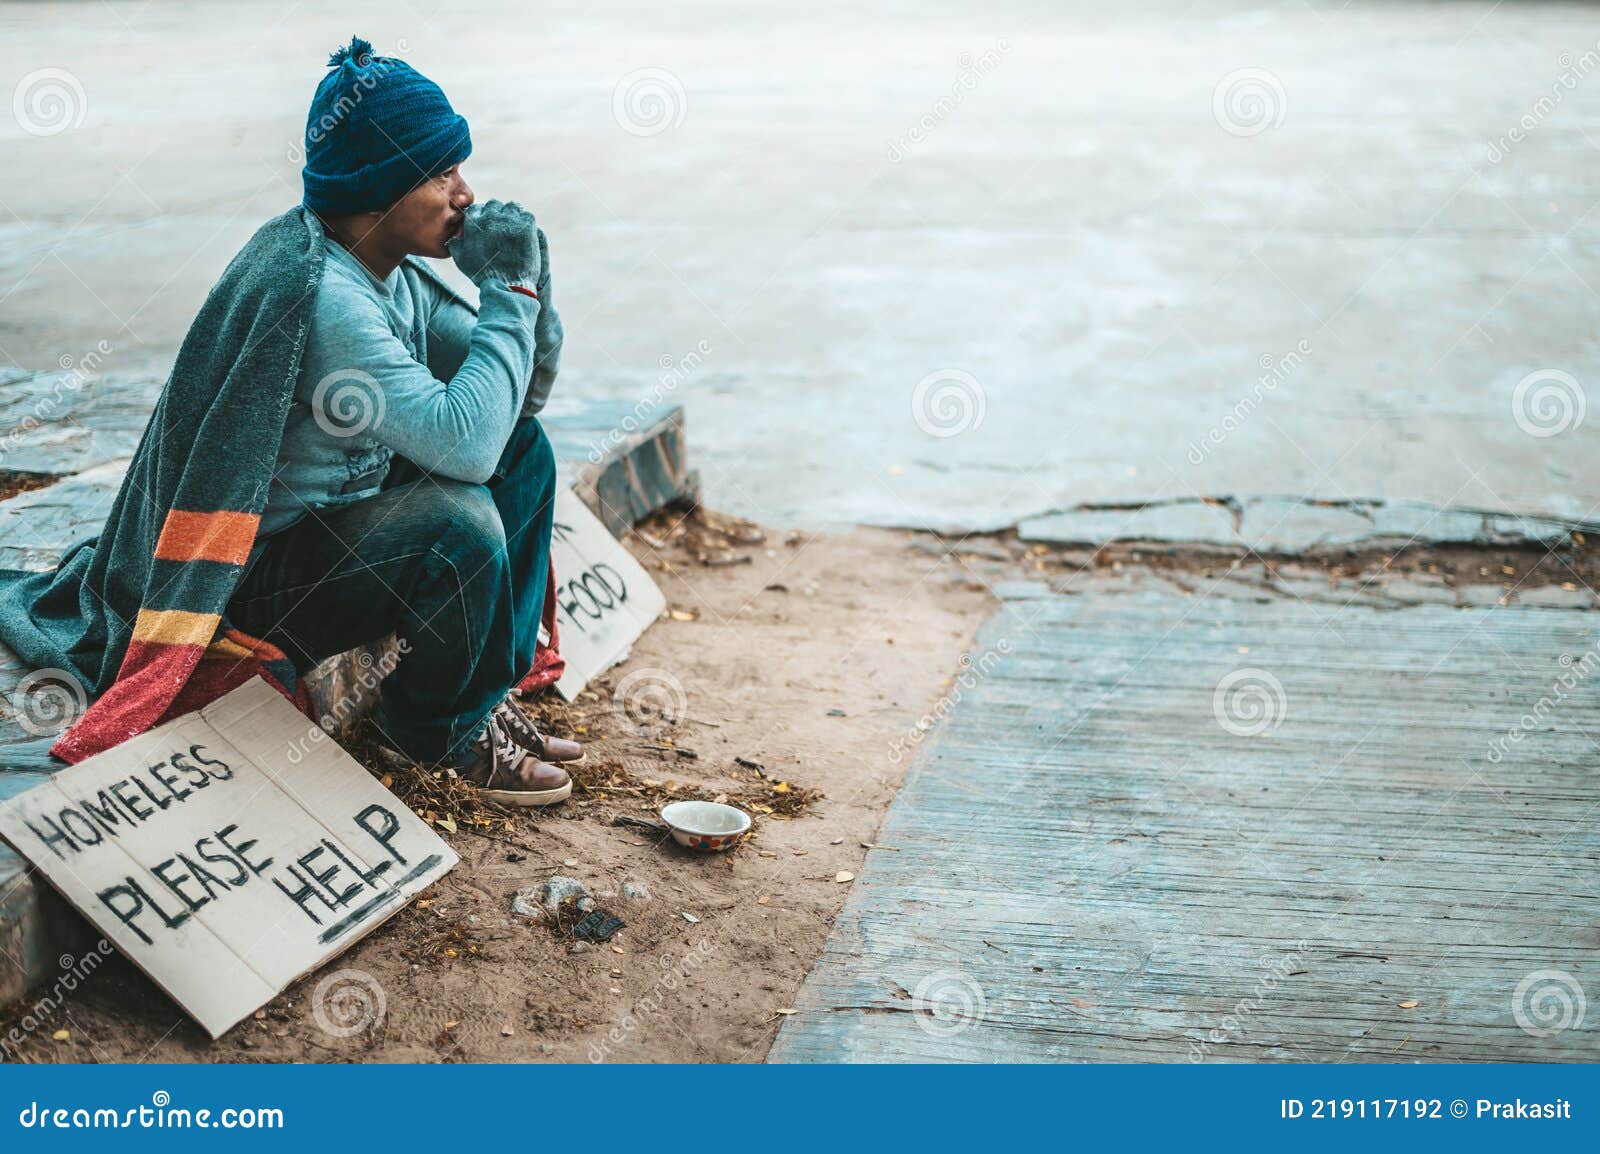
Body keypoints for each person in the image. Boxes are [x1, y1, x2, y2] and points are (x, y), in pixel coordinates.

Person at [0, 37, 580, 806]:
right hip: (254, 579)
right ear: (381, 189)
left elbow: (515, 408)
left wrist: (530, 285)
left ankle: (484, 689)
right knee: (458, 525)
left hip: (337, 529)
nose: (465, 194)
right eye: (442, 173)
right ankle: (437, 734)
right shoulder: (326, 298)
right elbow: (466, 450)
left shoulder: (389, 269)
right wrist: (507, 292)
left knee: (527, 452)